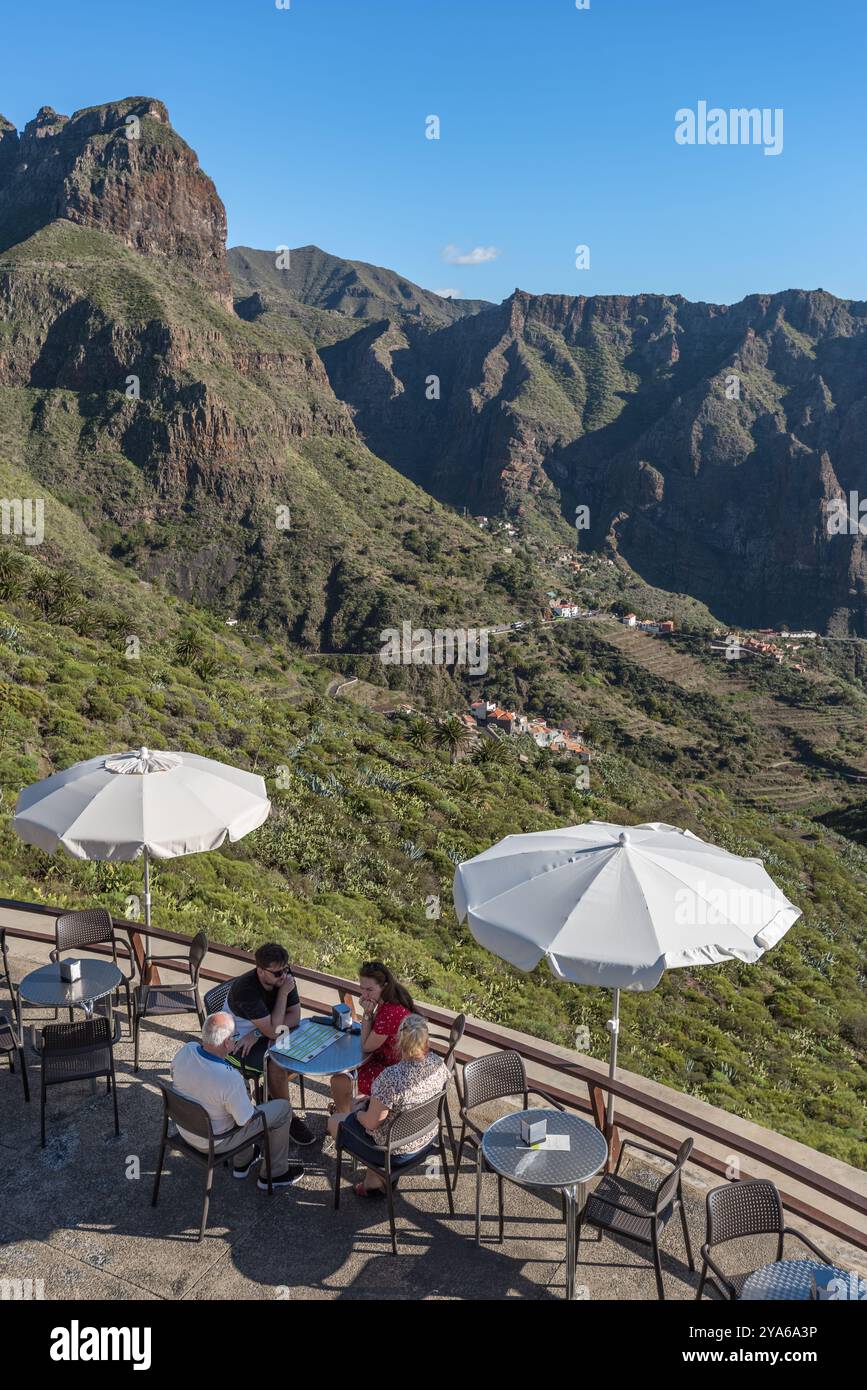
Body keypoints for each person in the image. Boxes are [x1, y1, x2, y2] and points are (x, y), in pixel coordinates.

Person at [171, 1013, 303, 1188]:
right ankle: (274, 1174)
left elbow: (175, 1075)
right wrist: (246, 1099)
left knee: (230, 1102)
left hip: (186, 1129)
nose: (236, 1040)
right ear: (227, 1043)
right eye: (235, 1036)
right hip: (214, 1142)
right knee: (283, 1109)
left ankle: (243, 1162)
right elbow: (245, 1121)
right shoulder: (229, 1078)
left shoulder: (186, 1050)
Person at [328, 1013, 448, 1196]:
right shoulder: (439, 1064)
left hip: (395, 1153)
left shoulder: (390, 1078)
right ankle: (374, 1180)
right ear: (426, 1041)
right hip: (426, 1139)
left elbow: (370, 1123)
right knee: (372, 1115)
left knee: (335, 1121)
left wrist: (357, 1111)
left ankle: (377, 1176)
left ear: (399, 1041)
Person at [226, 942, 315, 1145]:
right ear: (260, 971)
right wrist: (283, 995)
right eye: (277, 974)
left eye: (285, 970)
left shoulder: (283, 975)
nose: (283, 976)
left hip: (261, 1033)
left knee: (301, 1050)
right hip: (237, 1044)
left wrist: (260, 1032)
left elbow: (295, 1018)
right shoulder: (247, 990)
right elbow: (275, 1030)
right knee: (275, 1062)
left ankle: (270, 1093)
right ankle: (288, 1116)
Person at [329, 960, 414, 1114]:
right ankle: (352, 1109)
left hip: (394, 1073)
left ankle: (343, 1121)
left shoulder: (390, 1012)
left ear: (384, 986)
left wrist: (367, 1013)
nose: (364, 995)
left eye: (369, 990)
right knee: (346, 1070)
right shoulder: (391, 1000)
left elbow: (366, 1046)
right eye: (362, 989)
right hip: (395, 1063)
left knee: (340, 1079)